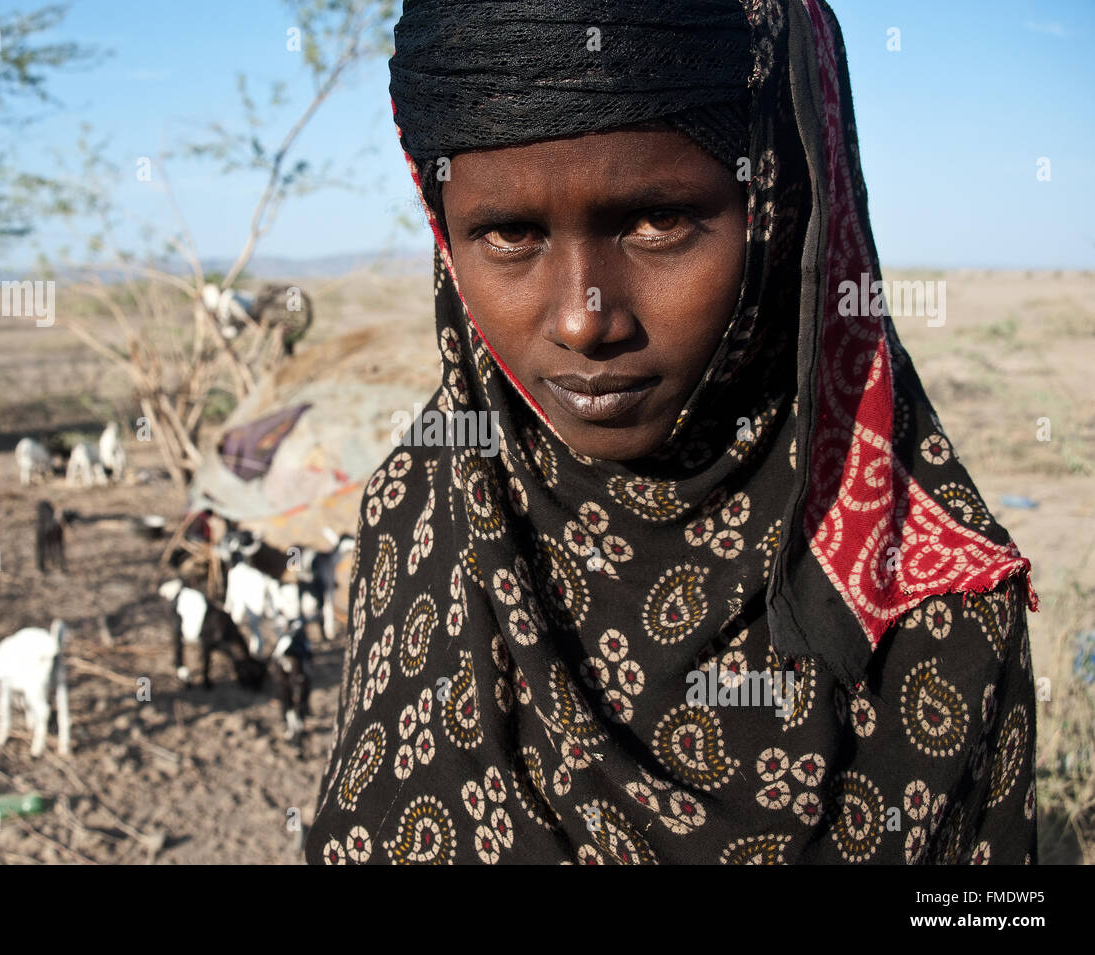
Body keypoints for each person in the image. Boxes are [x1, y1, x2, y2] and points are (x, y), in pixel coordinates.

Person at [306, 0, 1040, 864]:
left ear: (780, 205)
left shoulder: (934, 606)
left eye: (657, 222)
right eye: (509, 232)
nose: (585, 322)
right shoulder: (419, 507)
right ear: (445, 234)